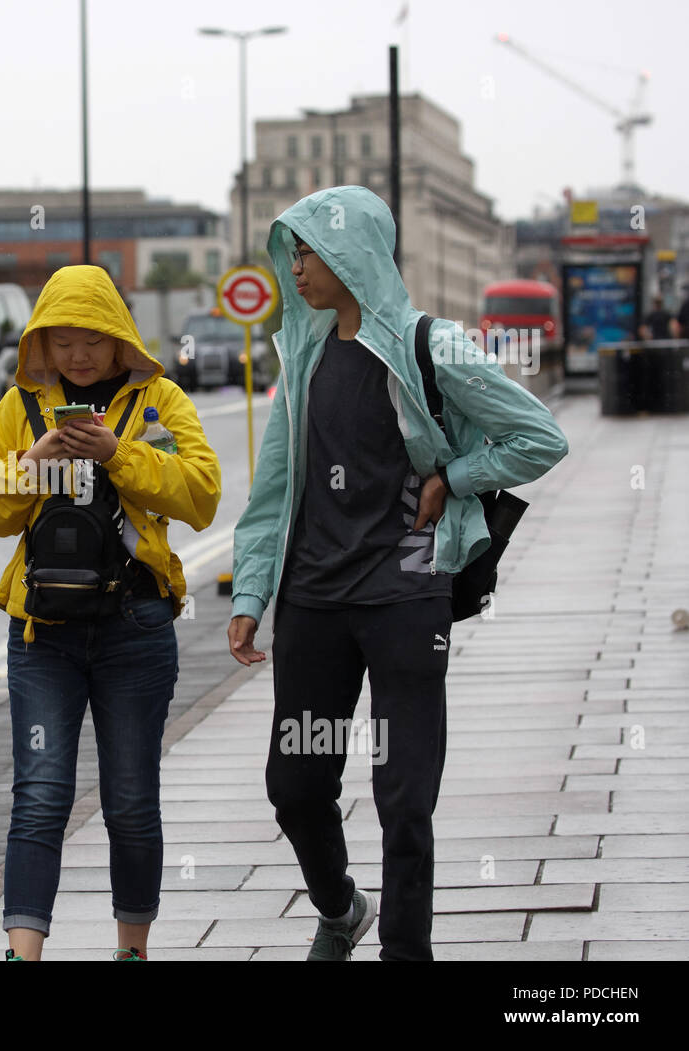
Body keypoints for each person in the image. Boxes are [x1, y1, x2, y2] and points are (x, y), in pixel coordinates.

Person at [227, 186, 568, 961]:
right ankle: (341, 905)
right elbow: (274, 489)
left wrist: (460, 473)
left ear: (355, 254)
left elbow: (539, 436)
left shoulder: (431, 345)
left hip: (407, 594)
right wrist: (252, 591)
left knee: (404, 798)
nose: (297, 266)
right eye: (295, 252)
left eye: (310, 250)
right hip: (313, 601)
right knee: (297, 785)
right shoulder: (304, 357)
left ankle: (407, 951)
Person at [0, 264, 221, 961]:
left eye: (94, 341)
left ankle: (131, 950)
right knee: (40, 794)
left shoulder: (159, 401)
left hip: (135, 627)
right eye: (63, 342)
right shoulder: (22, 404)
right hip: (42, 630)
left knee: (131, 800)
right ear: (41, 344)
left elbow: (201, 494)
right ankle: (23, 954)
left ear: (120, 339)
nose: (78, 357)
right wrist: (37, 460)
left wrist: (121, 454)